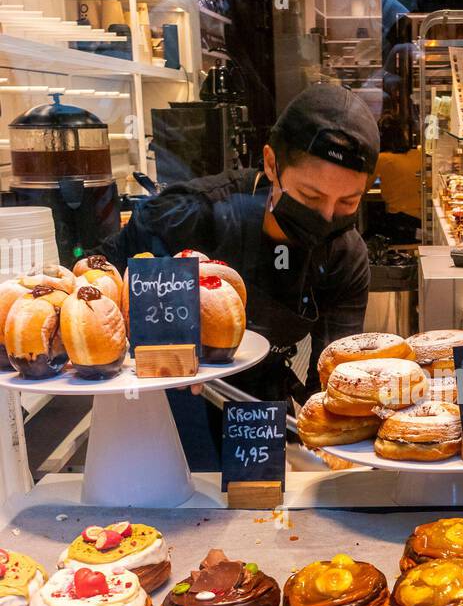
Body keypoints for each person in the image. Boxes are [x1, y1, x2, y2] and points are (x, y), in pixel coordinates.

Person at [103, 83, 380, 402]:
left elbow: (333, 378)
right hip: (163, 398)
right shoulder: (191, 215)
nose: (327, 216)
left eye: (347, 202)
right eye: (310, 196)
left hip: (259, 405)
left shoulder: (344, 255)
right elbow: (97, 285)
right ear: (271, 163)